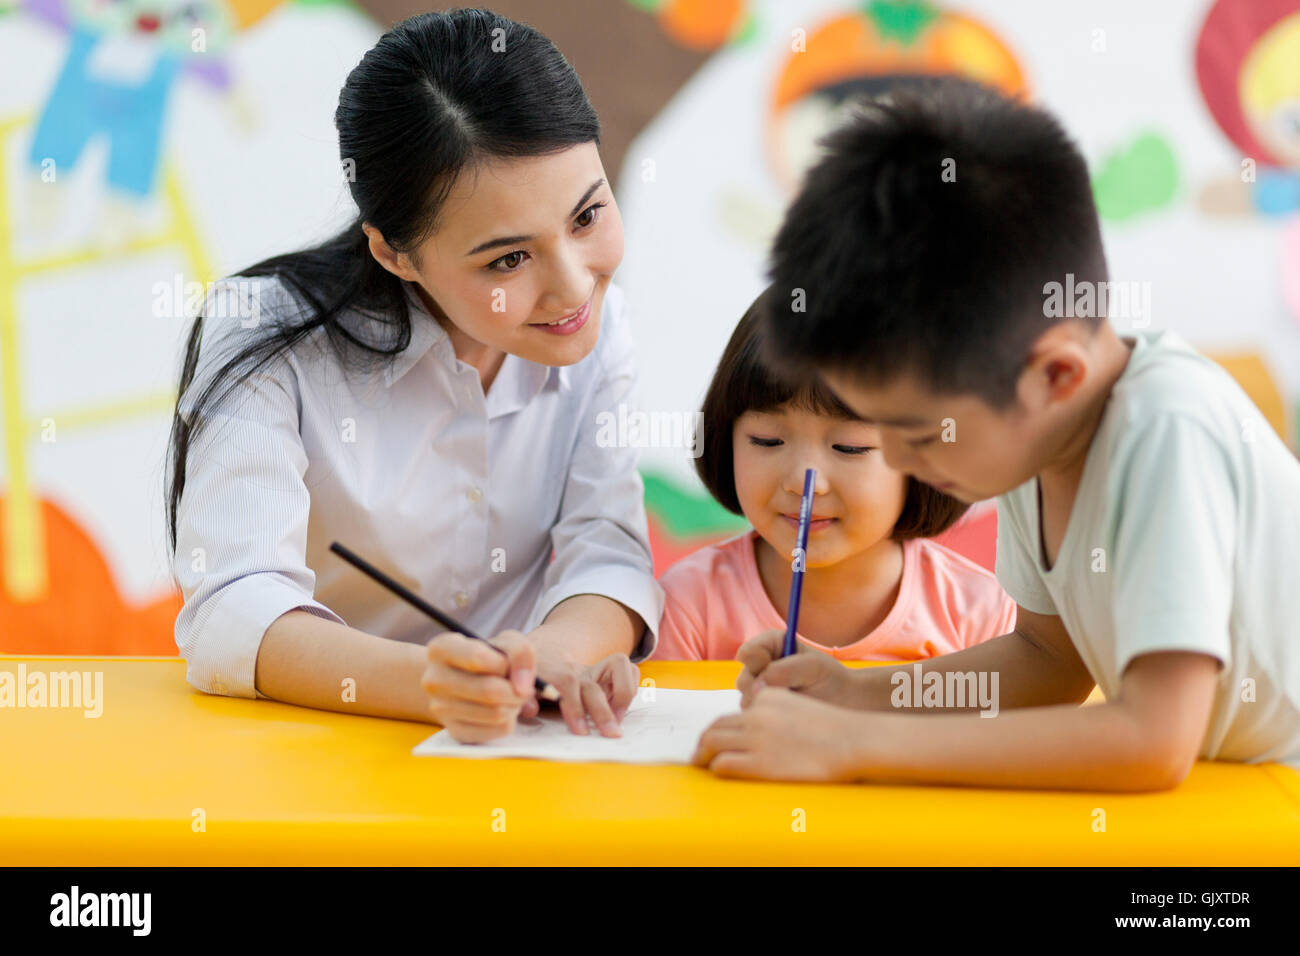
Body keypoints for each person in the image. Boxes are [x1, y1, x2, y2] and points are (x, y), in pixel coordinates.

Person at [694, 77, 1300, 789]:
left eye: (917, 431)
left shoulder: (1167, 429)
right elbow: (1046, 662)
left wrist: (855, 745)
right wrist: (857, 694)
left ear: (1055, 376)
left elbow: (1151, 739)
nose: (892, 455)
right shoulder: (1035, 435)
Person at [166, 10, 663, 743]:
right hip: (318, 754)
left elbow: (607, 547)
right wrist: (431, 684)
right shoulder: (264, 335)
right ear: (394, 253)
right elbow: (234, 606)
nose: (572, 287)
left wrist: (546, 663)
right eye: (507, 260)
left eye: (587, 216)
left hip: (516, 751)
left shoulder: (598, 323)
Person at [655, 288, 1015, 662]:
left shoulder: (981, 617)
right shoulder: (691, 604)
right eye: (766, 440)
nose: (802, 481)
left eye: (850, 448)